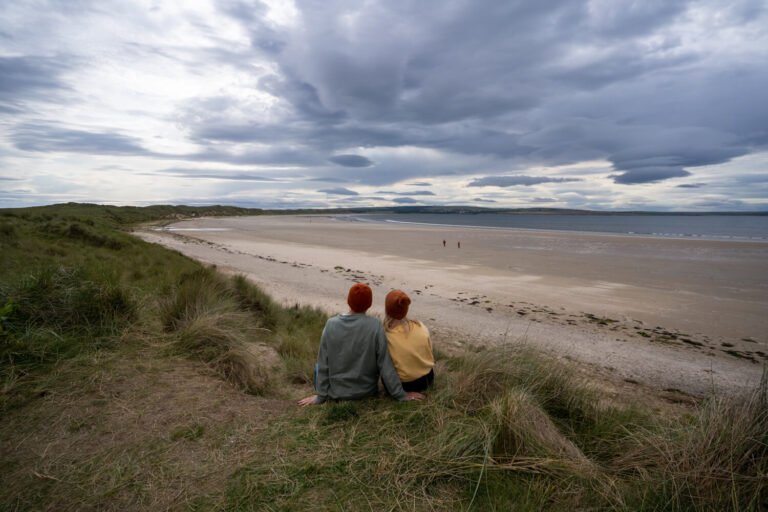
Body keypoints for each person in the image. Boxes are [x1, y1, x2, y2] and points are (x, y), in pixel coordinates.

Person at [298, 283, 424, 406]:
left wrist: (320, 397)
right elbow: (385, 365)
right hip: (366, 392)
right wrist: (401, 394)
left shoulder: (331, 324)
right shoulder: (375, 325)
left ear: (349, 301)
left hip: (336, 393)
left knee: (318, 366)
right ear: (369, 304)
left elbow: (323, 364)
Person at [382, 290, 435, 392]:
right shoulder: (420, 326)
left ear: (387, 309)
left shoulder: (386, 335)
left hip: (405, 385)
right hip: (428, 378)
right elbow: (429, 351)